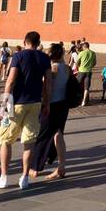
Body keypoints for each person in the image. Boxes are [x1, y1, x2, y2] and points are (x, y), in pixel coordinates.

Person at [0, 30, 51, 190]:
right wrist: (47, 104)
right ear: (38, 43)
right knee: (29, 142)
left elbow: (11, 80)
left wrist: (3, 102)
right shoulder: (45, 58)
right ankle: (24, 177)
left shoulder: (18, 56)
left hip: (16, 103)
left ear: (25, 42)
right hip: (35, 103)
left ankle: (4, 177)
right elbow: (48, 84)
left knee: (5, 140)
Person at [32, 44, 71, 180]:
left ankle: (35, 167)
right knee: (58, 134)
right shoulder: (67, 68)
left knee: (41, 135)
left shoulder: (52, 68)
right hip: (63, 105)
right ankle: (61, 167)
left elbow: (47, 87)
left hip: (51, 104)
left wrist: (44, 104)